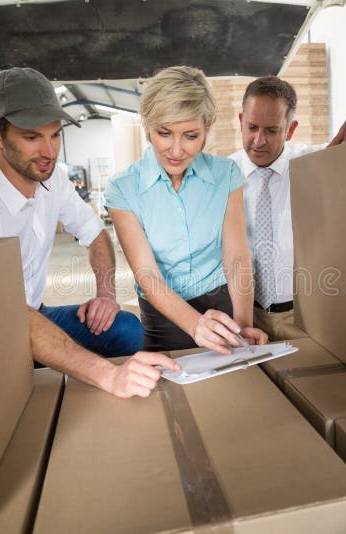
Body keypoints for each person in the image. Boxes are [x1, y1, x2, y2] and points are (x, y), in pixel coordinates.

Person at [0, 67, 179, 397]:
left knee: (127, 330)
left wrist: (106, 295)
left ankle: (50, 362)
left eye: (55, 135)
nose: (49, 152)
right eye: (32, 137)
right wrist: (108, 376)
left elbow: (96, 235)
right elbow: (6, 313)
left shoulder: (55, 180)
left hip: (36, 313)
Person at [105, 66, 269, 354]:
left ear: (206, 131)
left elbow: (236, 256)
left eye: (190, 136)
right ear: (148, 127)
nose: (176, 149)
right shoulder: (123, 188)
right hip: (163, 317)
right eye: (164, 133)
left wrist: (242, 324)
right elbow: (148, 276)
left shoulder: (226, 175)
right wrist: (196, 325)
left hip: (224, 309)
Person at [229, 76, 346, 340]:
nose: (258, 140)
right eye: (252, 127)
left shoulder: (315, 162)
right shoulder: (224, 174)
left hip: (302, 317)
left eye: (271, 131)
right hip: (243, 317)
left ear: (290, 129)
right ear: (241, 121)